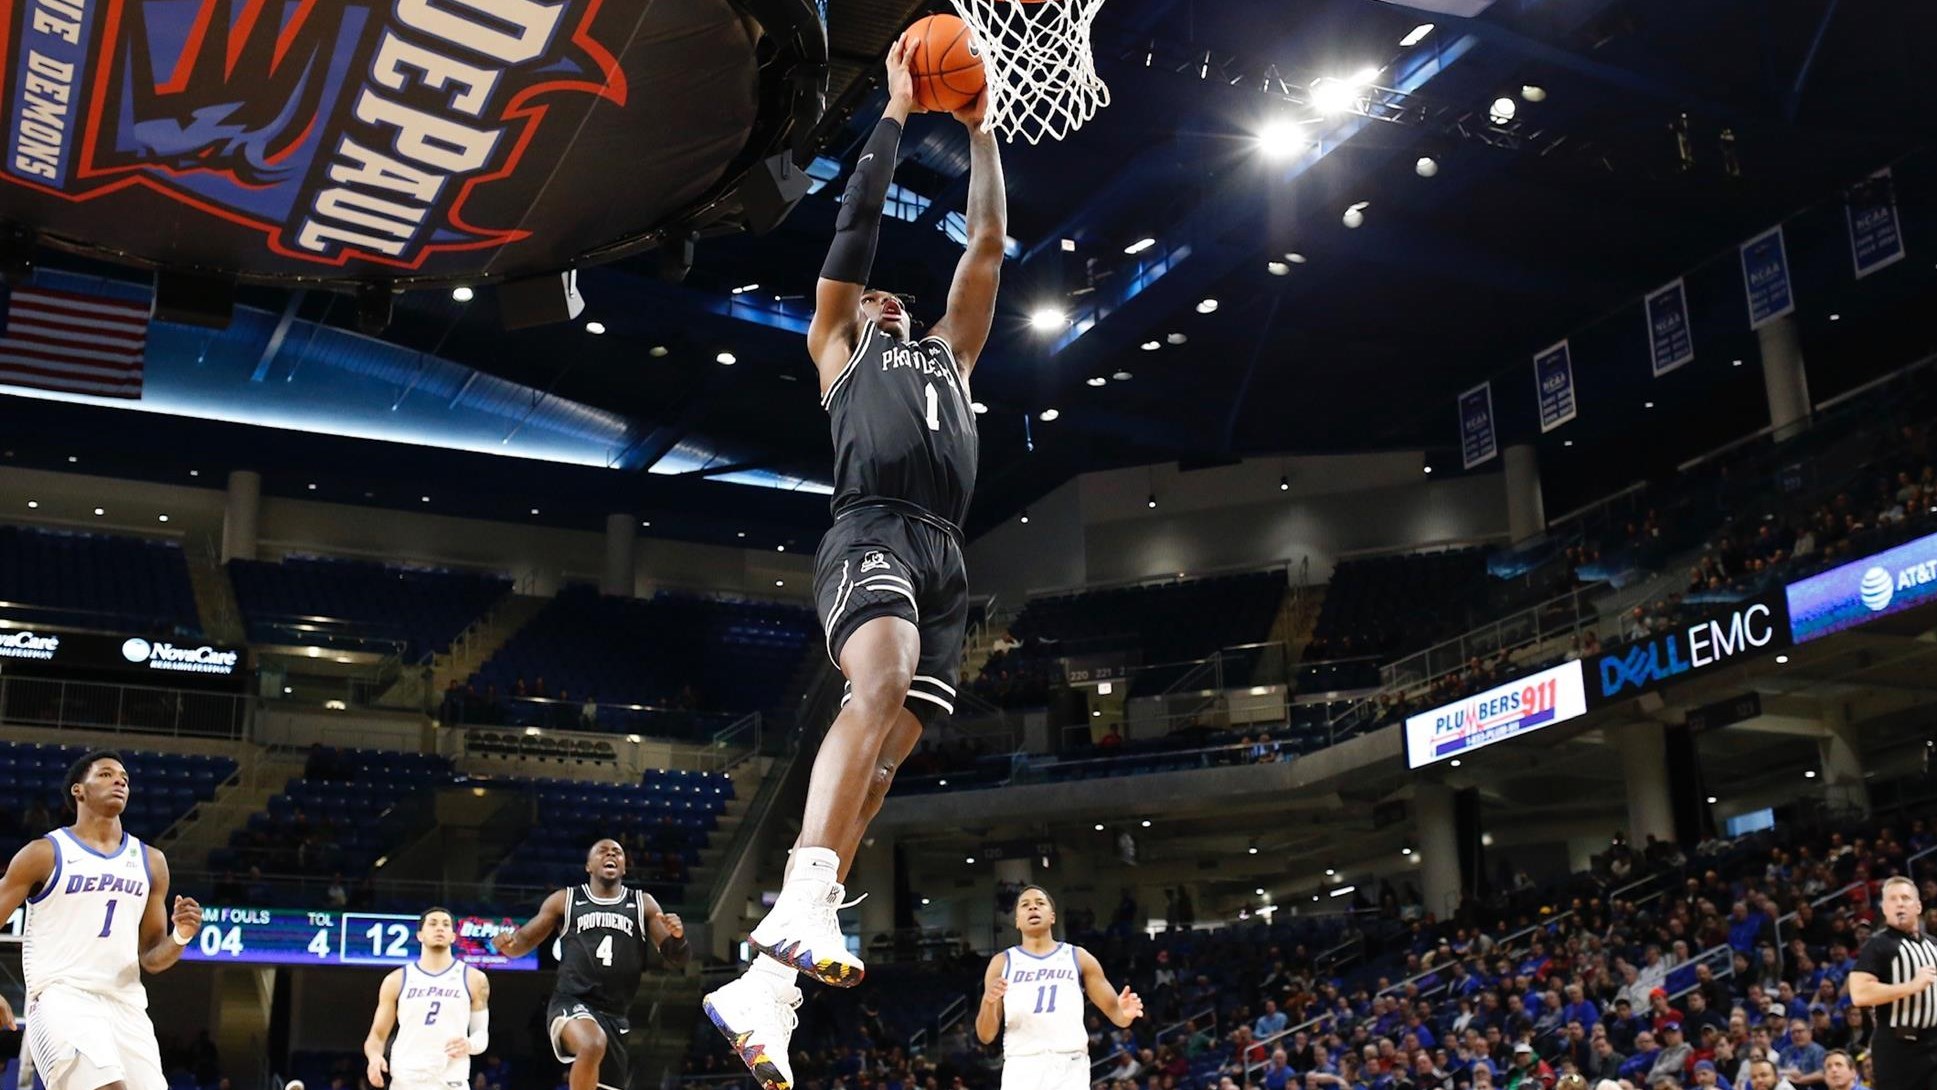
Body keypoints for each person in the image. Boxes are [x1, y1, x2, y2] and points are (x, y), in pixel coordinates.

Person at [702, 24, 1007, 1090]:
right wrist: (890, 106)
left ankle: (764, 989)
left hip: (945, 559)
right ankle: (799, 895)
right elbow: (855, 227)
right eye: (872, 290)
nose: (883, 292)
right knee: (869, 691)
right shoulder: (837, 344)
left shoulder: (949, 358)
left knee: (884, 763)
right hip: (869, 526)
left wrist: (979, 131)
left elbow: (983, 250)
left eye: (891, 292)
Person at [0, 750, 204, 1090]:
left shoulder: (151, 862)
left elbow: (152, 957)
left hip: (126, 1006)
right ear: (79, 790)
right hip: (62, 998)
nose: (120, 780)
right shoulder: (44, 853)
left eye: (124, 776)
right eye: (107, 774)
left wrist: (180, 936)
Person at [488, 840, 687, 1090]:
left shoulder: (643, 903)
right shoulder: (565, 900)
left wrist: (679, 938)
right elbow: (523, 942)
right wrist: (507, 944)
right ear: (588, 866)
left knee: (601, 1063)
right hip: (572, 1001)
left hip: (615, 1015)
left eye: (617, 852)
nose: (611, 854)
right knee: (591, 1044)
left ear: (624, 867)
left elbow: (677, 958)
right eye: (602, 851)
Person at [975, 887, 1142, 1090]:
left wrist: (1125, 1012)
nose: (1033, 907)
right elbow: (985, 1035)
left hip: (1069, 1065)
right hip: (1022, 1066)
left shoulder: (1079, 957)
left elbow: (1118, 1016)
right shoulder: (1002, 963)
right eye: (1025, 905)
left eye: (1040, 903)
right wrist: (988, 1002)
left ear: (1052, 917)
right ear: (1017, 921)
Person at [364, 908, 491, 1090]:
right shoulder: (396, 980)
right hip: (406, 1079)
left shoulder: (475, 979)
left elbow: (481, 1035)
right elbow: (376, 1036)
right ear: (419, 935)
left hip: (451, 1080)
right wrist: (374, 1057)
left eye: (446, 925)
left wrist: (469, 1044)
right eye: (432, 924)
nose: (439, 928)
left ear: (454, 936)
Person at [1846, 875, 1937, 1090]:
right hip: (1899, 1047)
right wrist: (1911, 986)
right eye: (1892, 899)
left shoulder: (1934, 945)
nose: (1899, 903)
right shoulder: (1878, 945)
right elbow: (1859, 994)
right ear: (1884, 908)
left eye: (1905, 898)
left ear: (1918, 906)